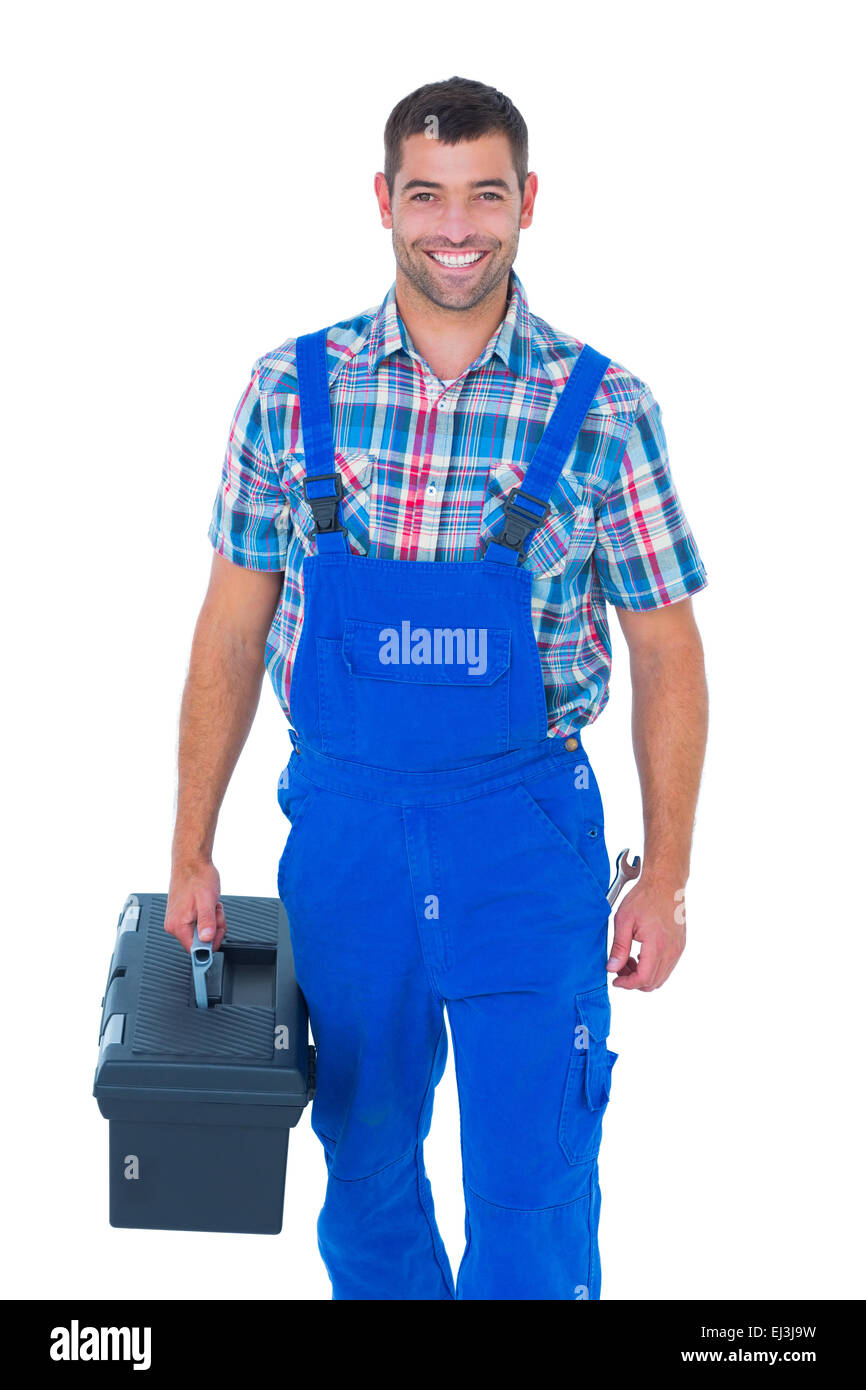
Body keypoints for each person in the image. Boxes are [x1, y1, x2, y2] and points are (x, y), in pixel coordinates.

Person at [166, 75, 709, 1300]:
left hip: (523, 842)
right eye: (425, 194)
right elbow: (228, 627)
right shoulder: (289, 389)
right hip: (345, 838)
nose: (453, 226)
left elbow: (667, 650)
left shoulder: (603, 408)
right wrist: (190, 845)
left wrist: (666, 873)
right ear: (382, 201)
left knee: (532, 1193)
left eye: (481, 194)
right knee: (363, 1174)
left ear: (526, 201)